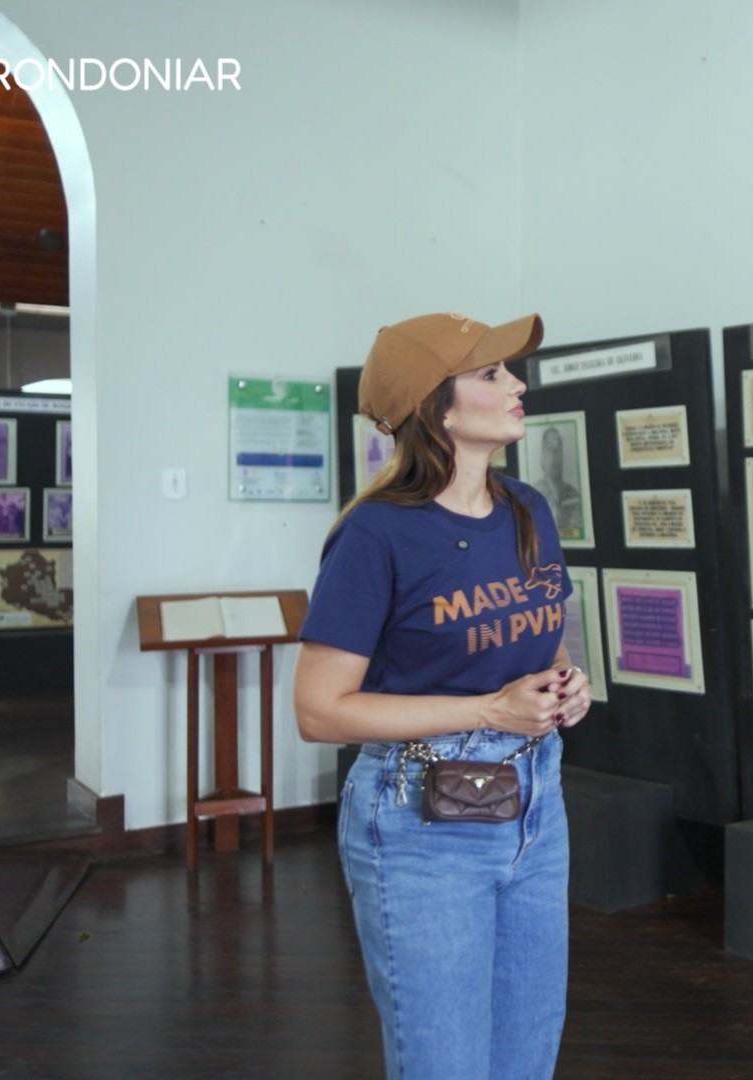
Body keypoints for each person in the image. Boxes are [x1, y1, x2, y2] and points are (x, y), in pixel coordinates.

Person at [293, 311, 595, 1079]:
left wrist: (566, 683)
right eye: (491, 374)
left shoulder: (528, 508)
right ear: (438, 409)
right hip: (421, 821)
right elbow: (319, 710)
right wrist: (490, 711)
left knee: (527, 1054)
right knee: (447, 1063)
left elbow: (543, 636)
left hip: (537, 801)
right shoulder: (374, 534)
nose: (517, 384)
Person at [535, 425, 585, 536]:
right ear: (542, 457)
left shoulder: (574, 496)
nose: (554, 455)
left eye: (558, 450)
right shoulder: (533, 495)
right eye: (549, 449)